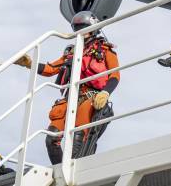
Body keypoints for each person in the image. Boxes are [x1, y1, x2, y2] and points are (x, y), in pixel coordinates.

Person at [16, 11, 119, 164]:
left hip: (91, 97)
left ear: (94, 28)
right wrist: (29, 64)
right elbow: (50, 69)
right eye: (77, 28)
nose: (80, 32)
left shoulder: (105, 50)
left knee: (79, 138)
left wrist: (105, 93)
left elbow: (115, 75)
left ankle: (73, 169)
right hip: (69, 99)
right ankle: (59, 172)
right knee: (51, 138)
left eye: (84, 27)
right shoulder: (71, 53)